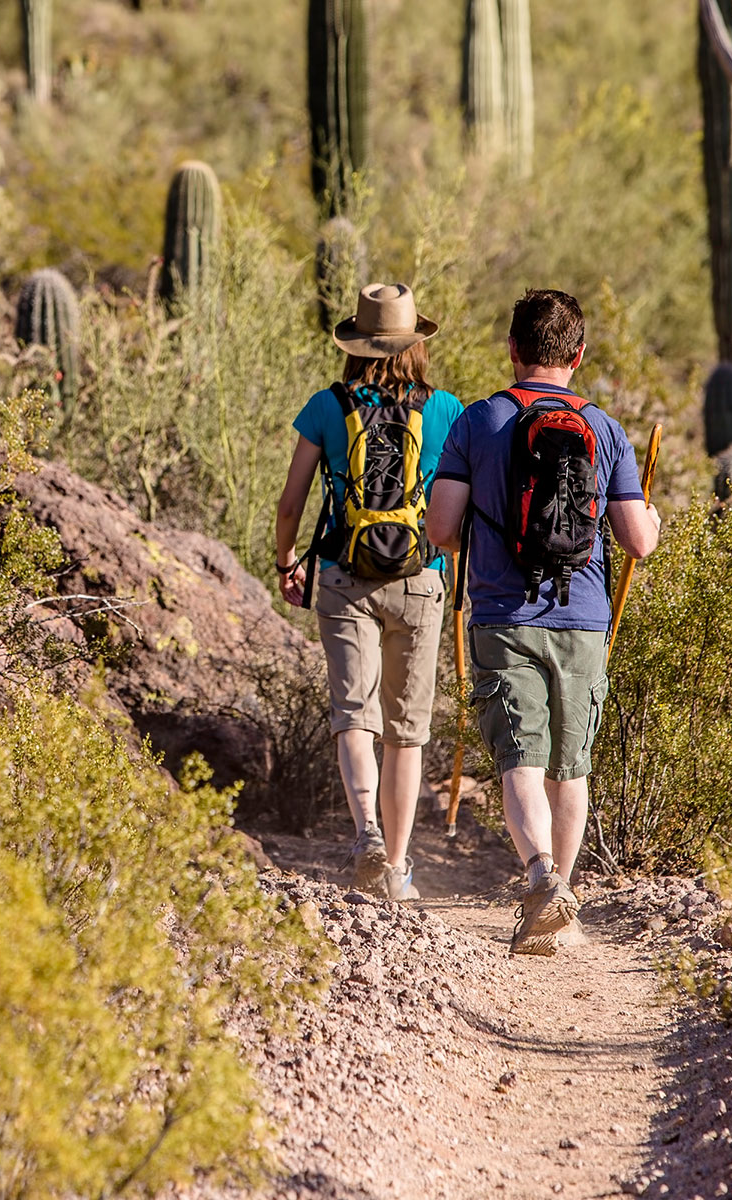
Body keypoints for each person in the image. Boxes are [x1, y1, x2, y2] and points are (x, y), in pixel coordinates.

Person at [425, 288, 661, 954]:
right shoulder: (604, 429)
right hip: (583, 618)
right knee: (570, 766)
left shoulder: (477, 422)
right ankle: (561, 904)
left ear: (512, 348)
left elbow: (440, 529)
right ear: (578, 355)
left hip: (502, 614)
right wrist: (652, 520)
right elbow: (637, 541)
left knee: (519, 758)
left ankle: (540, 878)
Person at [274, 283, 464, 900]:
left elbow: (290, 502)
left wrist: (286, 561)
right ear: (416, 345)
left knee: (355, 715)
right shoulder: (446, 411)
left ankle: (367, 836)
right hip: (421, 579)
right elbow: (462, 503)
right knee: (406, 730)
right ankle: (398, 868)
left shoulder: (326, 407)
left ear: (354, 345)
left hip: (342, 575)